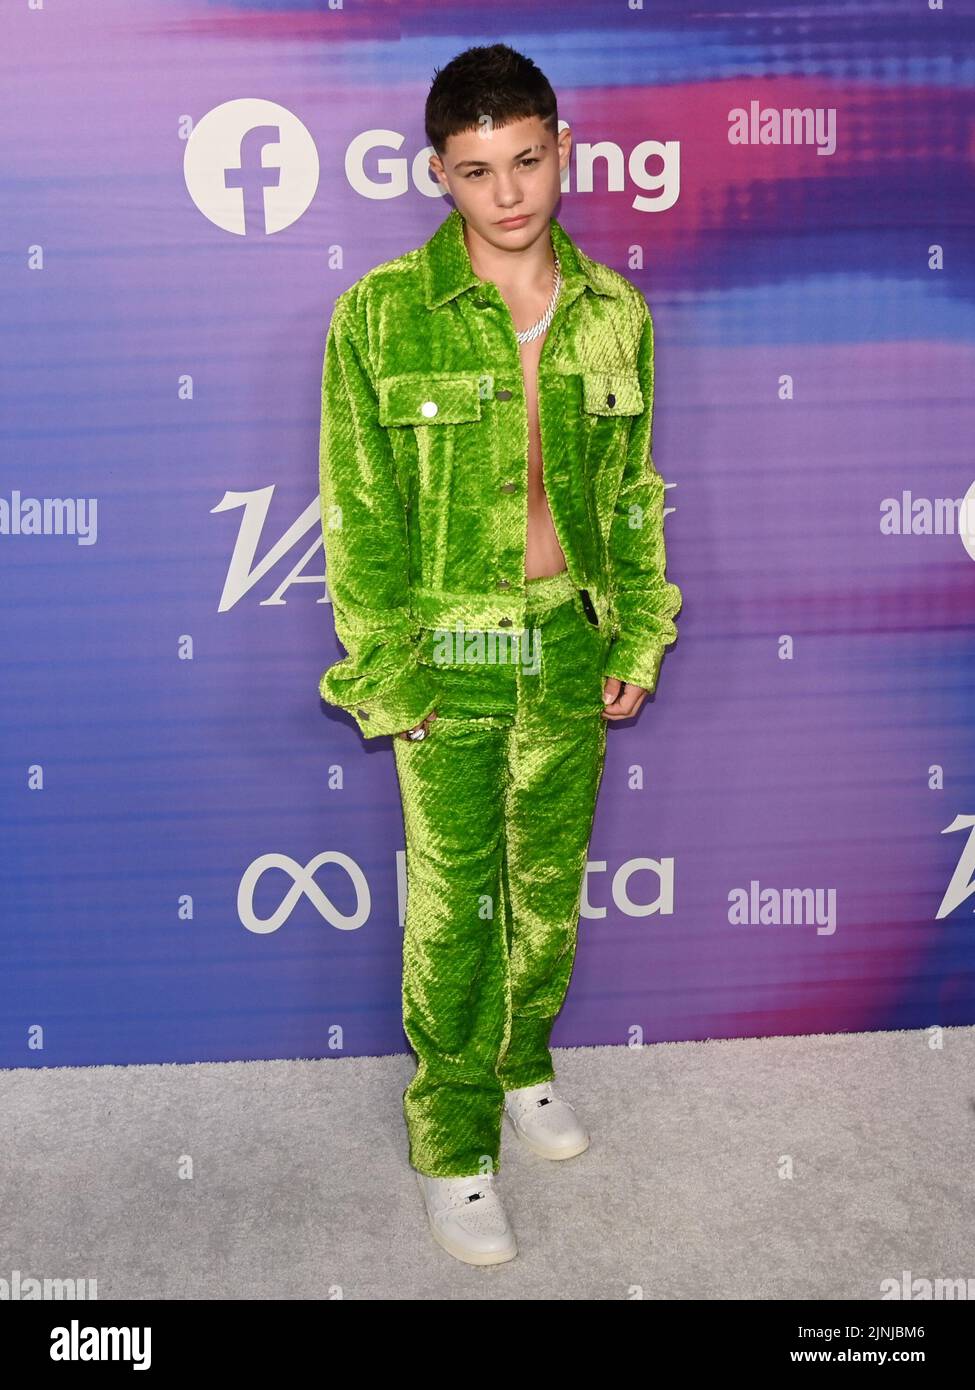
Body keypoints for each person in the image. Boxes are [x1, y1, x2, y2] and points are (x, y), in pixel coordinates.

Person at [317, 43, 682, 1266]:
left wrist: (639, 624)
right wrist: (391, 675)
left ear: (562, 149)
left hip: (567, 647)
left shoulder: (616, 311)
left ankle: (525, 1063)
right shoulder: (380, 313)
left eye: (527, 161)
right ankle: (452, 1136)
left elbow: (629, 495)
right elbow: (359, 516)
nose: (509, 193)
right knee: (453, 909)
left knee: (544, 895)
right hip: (449, 655)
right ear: (440, 174)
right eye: (477, 172)